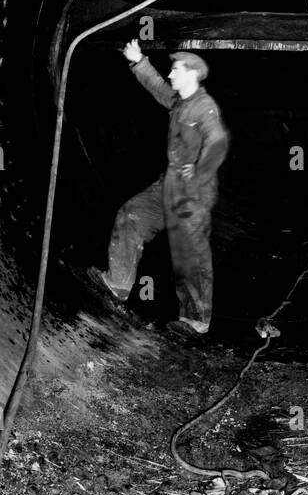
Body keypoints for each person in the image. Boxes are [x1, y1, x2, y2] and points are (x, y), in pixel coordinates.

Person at [88, 43, 229, 342]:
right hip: (168, 185)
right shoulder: (180, 102)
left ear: (191, 73)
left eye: (176, 69)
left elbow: (217, 142)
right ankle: (118, 284)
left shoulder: (204, 108)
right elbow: (158, 88)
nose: (171, 73)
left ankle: (195, 321)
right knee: (132, 215)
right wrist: (139, 61)